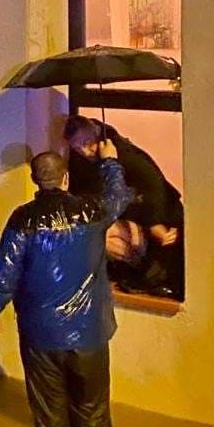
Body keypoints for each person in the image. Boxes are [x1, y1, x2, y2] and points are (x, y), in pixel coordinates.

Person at [0, 142, 133, 427]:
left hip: (41, 335)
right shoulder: (92, 211)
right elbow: (117, 197)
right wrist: (110, 162)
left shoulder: (22, 218)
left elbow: (4, 269)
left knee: (50, 421)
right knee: (93, 418)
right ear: (65, 178)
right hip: (89, 333)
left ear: (35, 180)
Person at [64, 115, 183, 299]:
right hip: (126, 218)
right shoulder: (82, 163)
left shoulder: (127, 156)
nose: (84, 151)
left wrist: (154, 224)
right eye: (77, 147)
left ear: (98, 136)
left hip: (157, 220)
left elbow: (154, 188)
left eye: (87, 143)